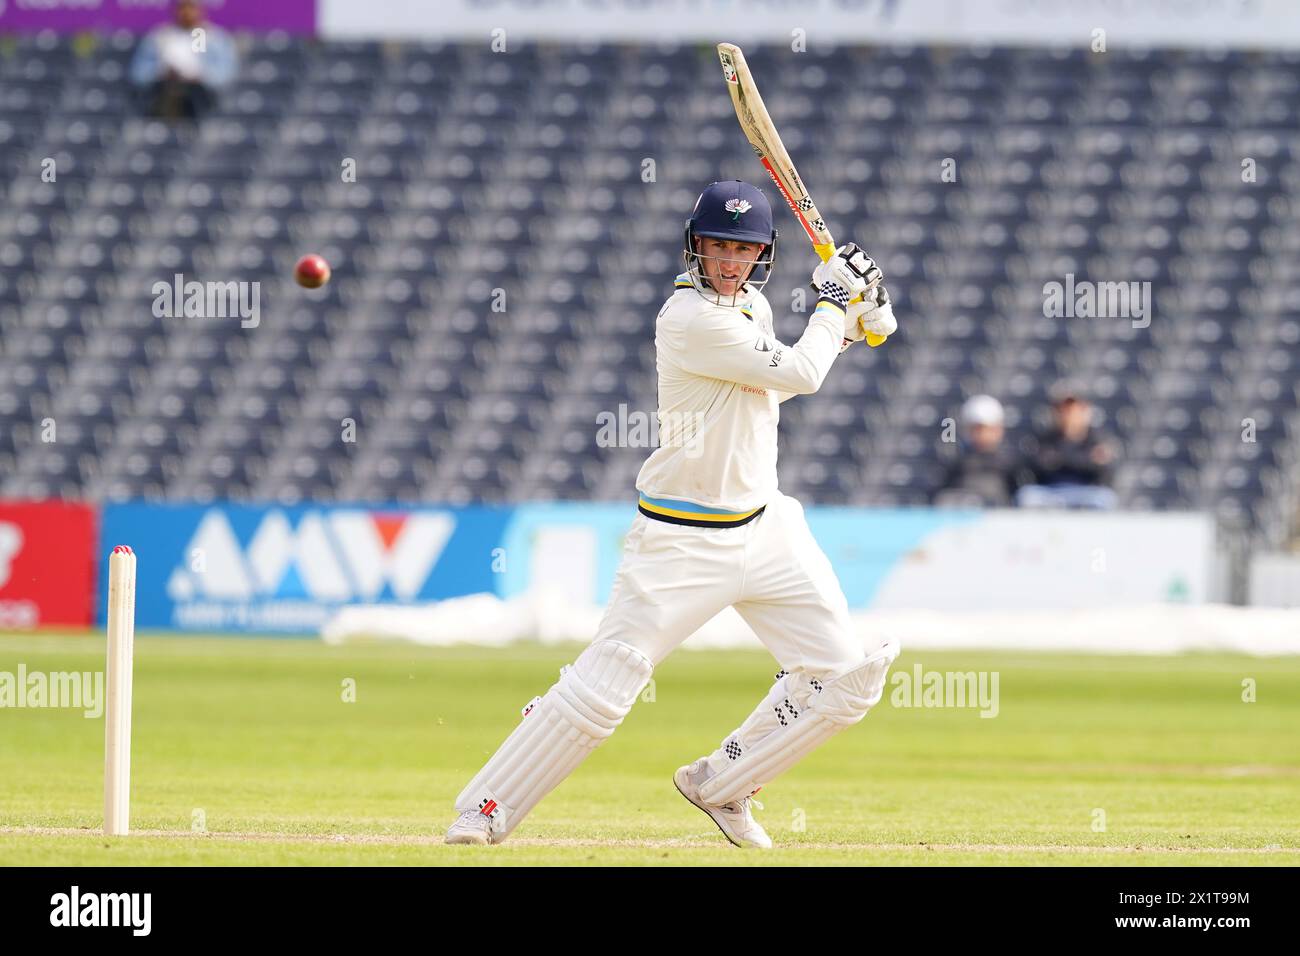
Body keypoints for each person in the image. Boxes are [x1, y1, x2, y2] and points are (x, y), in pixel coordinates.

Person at [446, 181, 900, 848]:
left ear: (762, 254)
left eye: (743, 249)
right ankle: (485, 807)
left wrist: (856, 325)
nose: (729, 261)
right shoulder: (688, 319)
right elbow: (803, 374)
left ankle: (723, 783)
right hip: (681, 540)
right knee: (606, 688)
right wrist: (836, 306)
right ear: (695, 247)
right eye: (718, 246)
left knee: (843, 678)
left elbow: (778, 381)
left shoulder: (753, 307)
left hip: (767, 528)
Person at [129, 0, 238, 122]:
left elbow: (224, 77)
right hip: (163, 90)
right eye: (182, 7)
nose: (186, 12)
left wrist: (200, 76)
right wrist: (160, 72)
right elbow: (139, 75)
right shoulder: (160, 36)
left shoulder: (214, 38)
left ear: (200, 10)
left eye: (191, 7)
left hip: (200, 94)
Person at [1017, 383, 1118, 509]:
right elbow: (1036, 465)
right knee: (1027, 496)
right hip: (1050, 491)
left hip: (1085, 491)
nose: (1068, 414)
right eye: (1063, 409)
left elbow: (1106, 470)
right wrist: (1085, 460)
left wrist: (1061, 460)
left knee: (1104, 498)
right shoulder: (1044, 438)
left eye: (1073, 409)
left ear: (1084, 410)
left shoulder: (1097, 438)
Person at [934, 394, 1028, 507]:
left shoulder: (1012, 464)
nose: (982, 434)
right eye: (976, 429)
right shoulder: (958, 464)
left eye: (987, 429)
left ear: (999, 429)